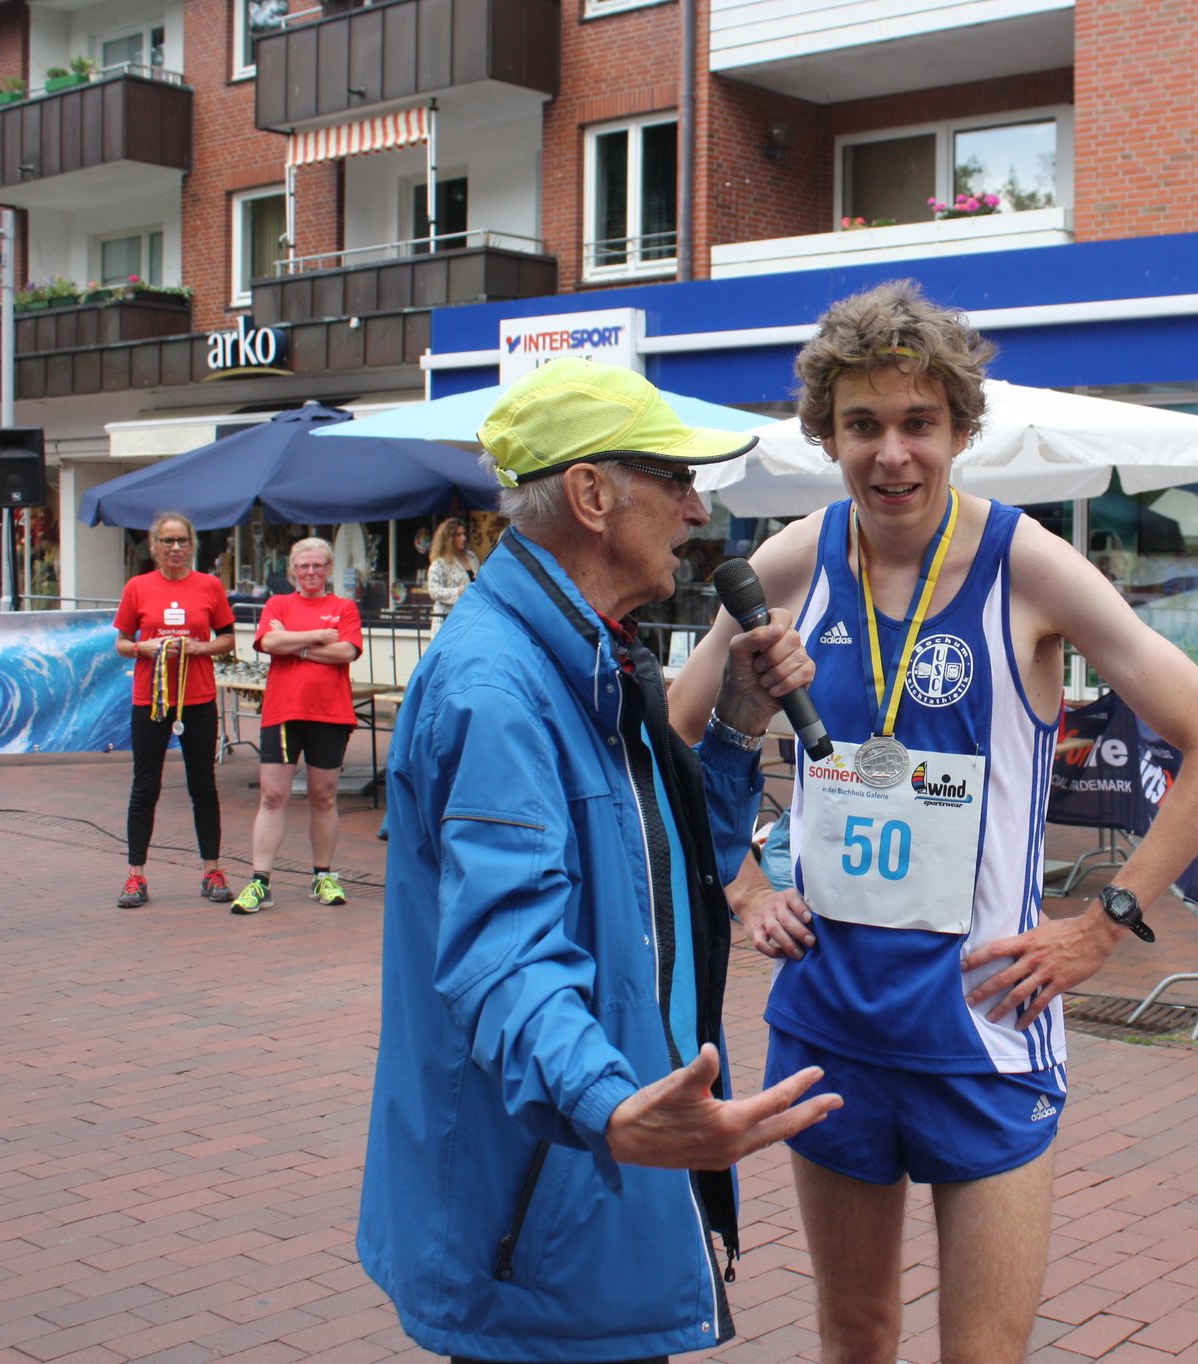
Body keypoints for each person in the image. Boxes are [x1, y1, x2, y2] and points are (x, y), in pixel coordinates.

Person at [668, 281, 1198, 1364]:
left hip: (981, 1026)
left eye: (916, 423)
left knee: (980, 1351)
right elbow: (677, 728)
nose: (890, 453)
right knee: (853, 1334)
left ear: (959, 429)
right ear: (827, 435)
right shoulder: (794, 559)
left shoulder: (1024, 564)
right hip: (828, 1018)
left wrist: (1101, 922)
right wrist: (742, 880)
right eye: (861, 425)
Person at [357, 358, 840, 1364]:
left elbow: (664, 875)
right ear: (589, 494)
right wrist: (609, 1106)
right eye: (674, 479)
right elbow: (505, 952)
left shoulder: (592, 653)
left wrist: (739, 723)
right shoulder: (499, 686)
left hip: (583, 1186)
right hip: (551, 1195)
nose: (698, 508)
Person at [111, 510, 237, 908]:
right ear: (154, 546)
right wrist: (140, 648)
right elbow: (121, 642)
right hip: (151, 700)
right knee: (145, 786)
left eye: (182, 540)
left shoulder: (209, 586)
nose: (176, 548)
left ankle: (212, 869)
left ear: (192, 544)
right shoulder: (138, 586)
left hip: (197, 699)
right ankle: (135, 876)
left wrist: (200, 647)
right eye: (167, 541)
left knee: (203, 785)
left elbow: (228, 638)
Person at [230, 537, 362, 915]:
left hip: (330, 713)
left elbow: (346, 652)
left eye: (318, 565)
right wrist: (318, 637)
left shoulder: (344, 607)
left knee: (324, 796)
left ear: (328, 569)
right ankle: (260, 881)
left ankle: (323, 875)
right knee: (272, 796)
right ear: (293, 570)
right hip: (283, 712)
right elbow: (269, 641)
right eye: (304, 566)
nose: (311, 572)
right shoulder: (278, 604)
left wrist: (295, 646)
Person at [425, 517, 477, 620]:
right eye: (458, 535)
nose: (463, 538)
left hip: (470, 615)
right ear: (448, 538)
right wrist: (457, 592)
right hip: (448, 618)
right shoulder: (439, 563)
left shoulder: (472, 557)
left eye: (464, 534)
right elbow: (434, 591)